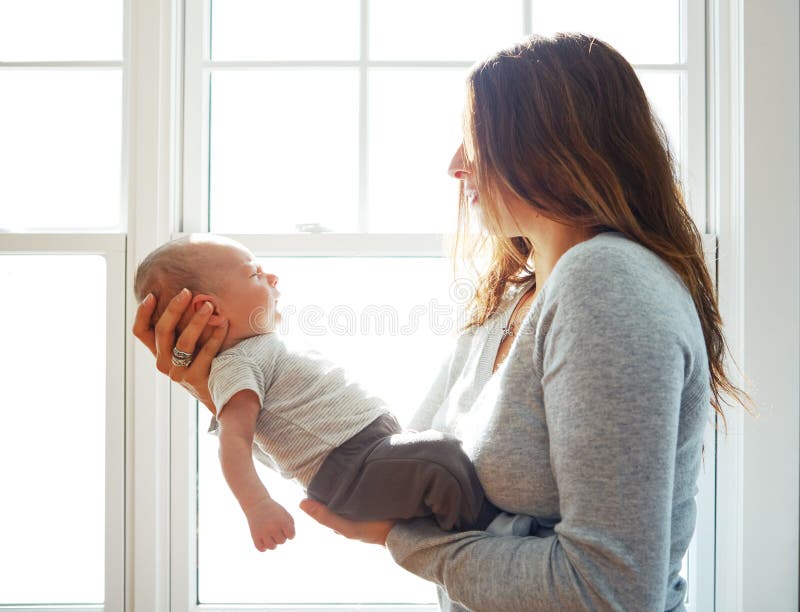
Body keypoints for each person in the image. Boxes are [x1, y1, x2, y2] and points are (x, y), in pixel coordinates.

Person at [134, 33, 753, 611]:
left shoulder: (605, 280)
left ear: (551, 146)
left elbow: (609, 589)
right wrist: (219, 386)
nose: (456, 164)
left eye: (476, 136)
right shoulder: (509, 303)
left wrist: (398, 541)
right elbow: (389, 472)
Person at [133, 234, 499, 552]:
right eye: (255, 274)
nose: (272, 277)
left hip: (364, 457)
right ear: (208, 310)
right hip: (350, 468)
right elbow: (234, 440)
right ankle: (492, 532)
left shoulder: (260, 349)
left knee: (437, 463)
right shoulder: (237, 364)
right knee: (440, 459)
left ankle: (466, 526)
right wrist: (257, 505)